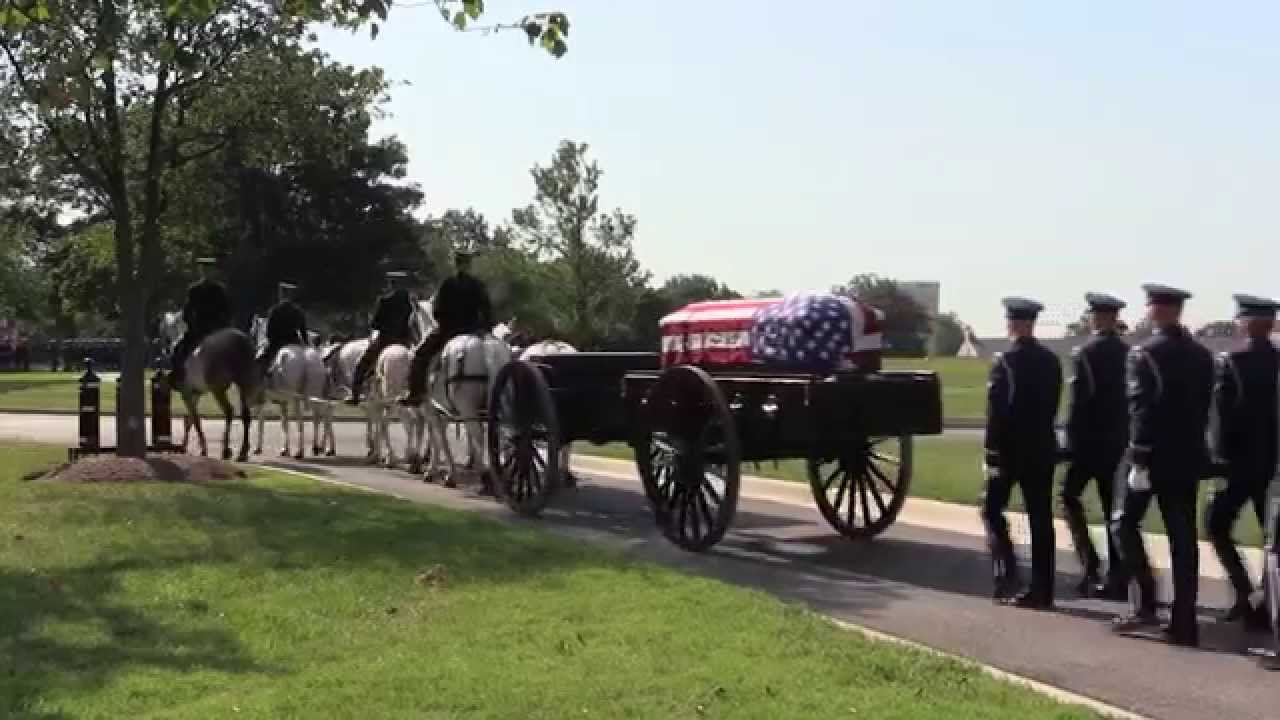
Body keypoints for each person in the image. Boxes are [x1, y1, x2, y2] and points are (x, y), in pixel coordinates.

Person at [1112, 284, 1214, 647]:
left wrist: (1139, 457)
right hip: (1186, 457)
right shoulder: (1203, 356)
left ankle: (1146, 603)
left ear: (1157, 310)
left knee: (1123, 524)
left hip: (1152, 457)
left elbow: (1142, 409)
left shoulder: (1144, 354)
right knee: (1183, 539)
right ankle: (1184, 621)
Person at [982, 297, 1063, 608]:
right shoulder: (1051, 361)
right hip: (1042, 446)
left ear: (1012, 323)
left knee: (991, 509)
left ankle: (1008, 573)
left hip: (1011, 450)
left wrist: (992, 451)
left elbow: (997, 412)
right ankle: (1043, 589)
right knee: (1041, 519)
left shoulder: (1005, 361)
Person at [1207, 294, 1279, 630]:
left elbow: (1222, 417)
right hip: (1273, 465)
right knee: (1273, 539)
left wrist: (1218, 460)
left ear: (1247, 322)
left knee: (1216, 525)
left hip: (1238, 463)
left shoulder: (1231, 360)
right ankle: (1268, 602)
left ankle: (1245, 593)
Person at [1060, 292, 1130, 600]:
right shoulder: (1130, 353)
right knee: (1112, 508)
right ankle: (1118, 574)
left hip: (1089, 443)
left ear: (1096, 318)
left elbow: (1078, 403)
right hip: (1118, 442)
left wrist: (1069, 442)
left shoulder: (1085, 353)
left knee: (1069, 496)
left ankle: (1090, 565)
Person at [400, 249, 493, 406]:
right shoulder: (477, 284)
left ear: (455, 264)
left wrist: (443, 322)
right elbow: (487, 309)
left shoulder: (448, 283)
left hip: (449, 330)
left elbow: (437, 310)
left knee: (420, 355)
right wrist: (485, 328)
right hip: (475, 330)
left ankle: (415, 393)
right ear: (468, 265)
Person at [349, 271, 415, 405]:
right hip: (405, 341)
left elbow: (375, 324)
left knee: (361, 365)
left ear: (391, 284)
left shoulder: (385, 301)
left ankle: (355, 395)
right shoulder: (410, 304)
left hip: (385, 340)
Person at [172, 257, 233, 385]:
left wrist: (221, 326)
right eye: (204, 270)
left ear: (213, 272)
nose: (206, 273)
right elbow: (187, 311)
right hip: (197, 329)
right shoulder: (194, 290)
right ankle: (179, 377)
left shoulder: (219, 290)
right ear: (201, 272)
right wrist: (191, 324)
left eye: (209, 270)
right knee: (178, 349)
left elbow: (227, 311)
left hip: (215, 329)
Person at [257, 282, 309, 376]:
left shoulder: (275, 310)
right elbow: (303, 332)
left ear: (281, 294)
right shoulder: (299, 311)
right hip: (294, 341)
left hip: (277, 342)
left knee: (260, 359)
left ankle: (262, 377)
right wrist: (306, 344)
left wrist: (270, 339)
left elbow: (269, 330)